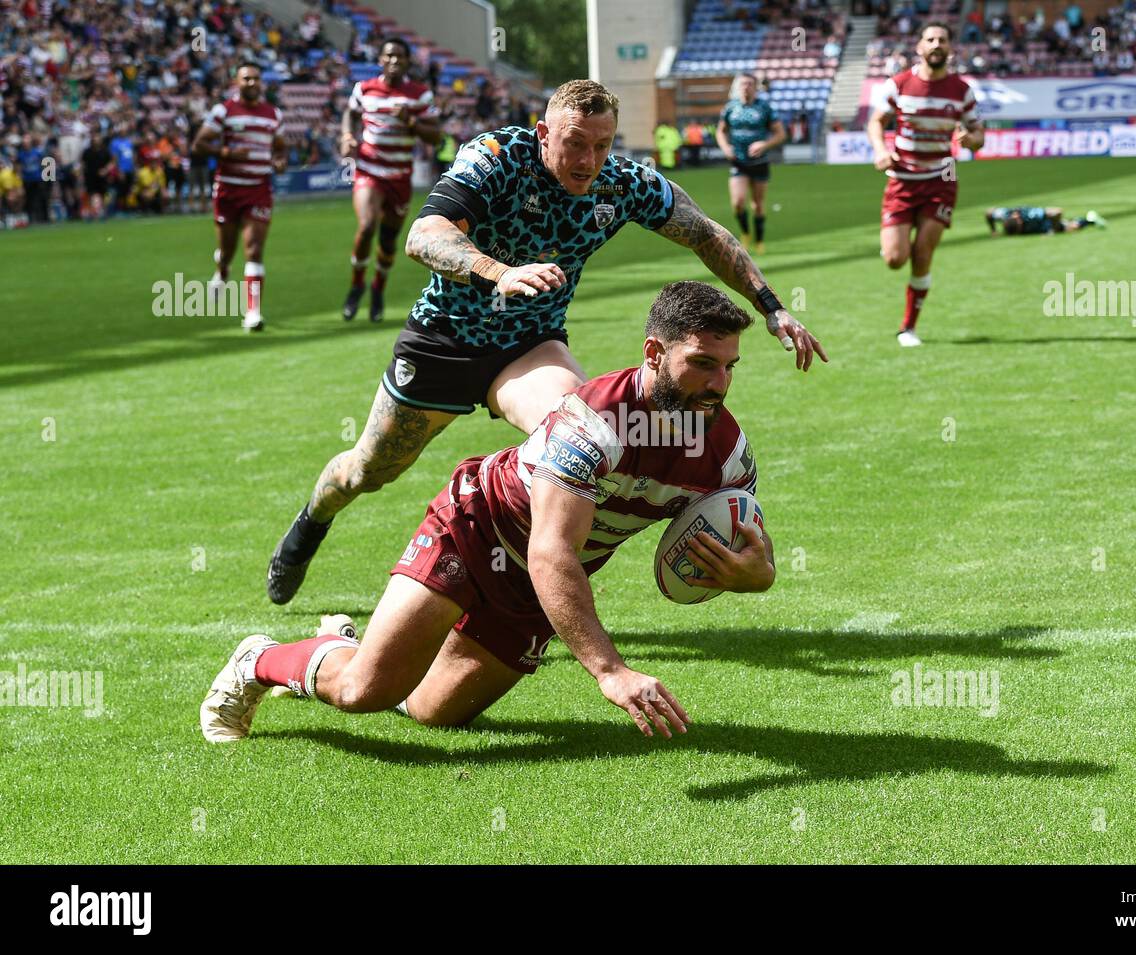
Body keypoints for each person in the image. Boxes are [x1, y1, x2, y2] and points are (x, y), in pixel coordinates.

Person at [264, 79, 825, 606]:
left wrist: (773, 311)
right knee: (367, 471)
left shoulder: (623, 183)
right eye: (575, 144)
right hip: (444, 341)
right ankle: (312, 520)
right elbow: (424, 234)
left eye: (601, 146)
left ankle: (524, 586)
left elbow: (705, 233)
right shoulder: (497, 157)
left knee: (580, 442)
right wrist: (497, 271)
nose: (588, 161)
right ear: (543, 134)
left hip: (529, 347)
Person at [205, 282, 774, 742]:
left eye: (729, 367)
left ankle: (343, 643)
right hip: (477, 529)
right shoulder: (592, 423)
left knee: (432, 713)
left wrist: (757, 576)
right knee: (365, 691)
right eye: (703, 363)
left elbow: (753, 544)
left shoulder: (726, 453)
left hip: (534, 589)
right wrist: (611, 670)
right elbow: (551, 552)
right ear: (654, 353)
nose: (718, 384)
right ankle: (259, 659)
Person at [868, 21, 983, 347]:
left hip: (941, 179)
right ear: (919, 47)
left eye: (942, 40)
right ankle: (894, 243)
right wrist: (880, 150)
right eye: (930, 39)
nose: (936, 44)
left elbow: (978, 134)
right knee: (895, 259)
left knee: (923, 253)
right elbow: (876, 121)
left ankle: (908, 328)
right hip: (902, 180)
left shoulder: (962, 90)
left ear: (949, 48)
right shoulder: (899, 84)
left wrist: (971, 138)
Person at [339, 37, 440, 323]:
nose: (394, 61)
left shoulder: (419, 95)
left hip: (399, 176)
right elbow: (350, 112)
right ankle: (357, 284)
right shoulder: (365, 89)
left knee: (388, 240)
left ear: (407, 62)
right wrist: (347, 136)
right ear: (380, 60)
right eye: (389, 56)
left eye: (400, 57)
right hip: (369, 170)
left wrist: (410, 121)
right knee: (367, 225)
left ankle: (378, 289)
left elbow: (435, 135)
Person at [192, 61, 288, 332]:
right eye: (246, 78)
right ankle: (221, 272)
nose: (251, 83)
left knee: (254, 250)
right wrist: (228, 154)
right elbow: (198, 144)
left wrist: (280, 161)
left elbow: (281, 149)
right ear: (237, 81)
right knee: (227, 251)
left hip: (258, 190)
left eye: (255, 78)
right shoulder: (224, 111)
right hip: (228, 190)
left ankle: (252, 312)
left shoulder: (273, 115)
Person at [717, 73, 785, 254]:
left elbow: (781, 134)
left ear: (755, 87)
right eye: (742, 84)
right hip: (738, 161)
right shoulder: (731, 107)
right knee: (738, 202)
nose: (745, 87)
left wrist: (765, 144)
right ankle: (746, 233)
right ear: (738, 86)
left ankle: (760, 240)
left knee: (758, 204)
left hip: (759, 161)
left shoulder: (765, 108)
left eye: (749, 84)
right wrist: (725, 148)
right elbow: (721, 132)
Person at [986, 205, 1106, 235]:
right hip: (1039, 227)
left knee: (1072, 227)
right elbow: (989, 212)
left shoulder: (1032, 215)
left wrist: (1052, 230)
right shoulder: (1004, 214)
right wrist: (993, 230)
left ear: (1020, 222)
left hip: (1047, 224)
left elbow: (1057, 211)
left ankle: (1090, 220)